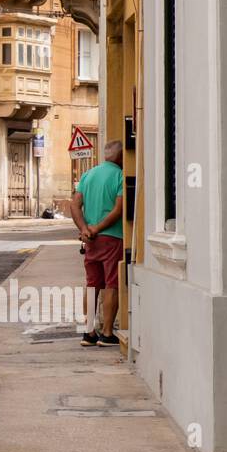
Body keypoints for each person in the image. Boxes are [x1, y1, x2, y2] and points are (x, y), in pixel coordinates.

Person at [70, 140, 125, 347]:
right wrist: (98, 228)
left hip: (90, 240)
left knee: (92, 284)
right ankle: (107, 333)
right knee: (112, 284)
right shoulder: (119, 175)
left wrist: (85, 229)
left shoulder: (88, 175)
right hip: (112, 238)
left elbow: (75, 205)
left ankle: (89, 332)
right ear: (120, 158)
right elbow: (118, 210)